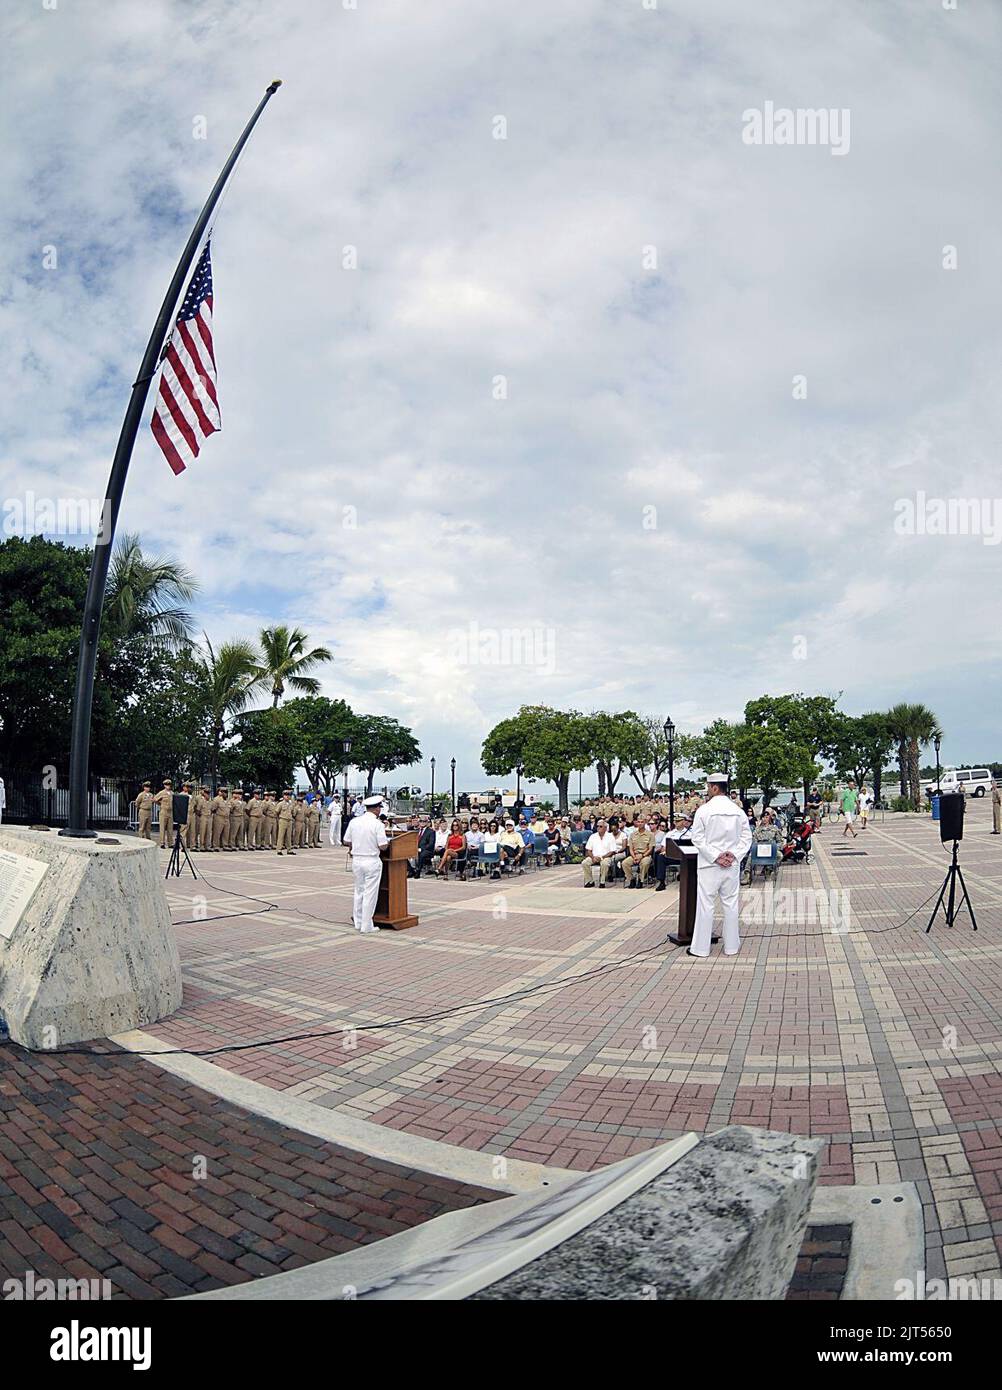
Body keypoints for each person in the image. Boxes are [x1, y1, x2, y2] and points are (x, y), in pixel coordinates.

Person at [687, 774, 752, 959]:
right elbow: (747, 838)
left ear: (715, 788)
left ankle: (701, 948)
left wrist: (715, 856)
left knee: (706, 905)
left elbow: (697, 838)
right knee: (730, 905)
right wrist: (733, 855)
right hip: (730, 865)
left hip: (709, 866)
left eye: (709, 787)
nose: (707, 790)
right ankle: (731, 947)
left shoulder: (704, 810)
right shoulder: (738, 811)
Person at [344, 794, 389, 933]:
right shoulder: (377, 824)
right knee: (370, 893)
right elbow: (382, 846)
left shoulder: (354, 822)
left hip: (357, 860)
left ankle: (358, 922)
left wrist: (358, 844)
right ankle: (366, 925)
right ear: (376, 809)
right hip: (371, 860)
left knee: (359, 891)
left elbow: (346, 840)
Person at [582, 818, 617, 887]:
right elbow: (588, 850)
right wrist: (593, 857)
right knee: (584, 863)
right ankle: (590, 881)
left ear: (605, 828)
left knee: (604, 863)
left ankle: (602, 882)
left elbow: (612, 851)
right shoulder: (593, 836)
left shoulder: (610, 836)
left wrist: (602, 857)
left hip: (606, 857)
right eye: (597, 826)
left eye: (600, 826)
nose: (598, 828)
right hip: (594, 856)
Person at [622, 817, 654, 889]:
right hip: (634, 855)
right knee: (624, 863)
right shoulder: (632, 834)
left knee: (645, 863)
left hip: (645, 855)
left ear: (645, 823)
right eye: (638, 822)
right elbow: (630, 848)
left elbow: (650, 849)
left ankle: (640, 880)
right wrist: (634, 857)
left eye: (642, 822)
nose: (640, 823)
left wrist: (642, 856)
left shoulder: (650, 834)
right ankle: (631, 879)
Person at [154, 779, 174, 849]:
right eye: (166, 785)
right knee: (162, 828)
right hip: (163, 811)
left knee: (170, 828)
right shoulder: (162, 792)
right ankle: (162, 843)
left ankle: (170, 843)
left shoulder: (172, 793)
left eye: (169, 785)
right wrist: (160, 804)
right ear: (164, 785)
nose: (168, 786)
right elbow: (155, 799)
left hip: (170, 812)